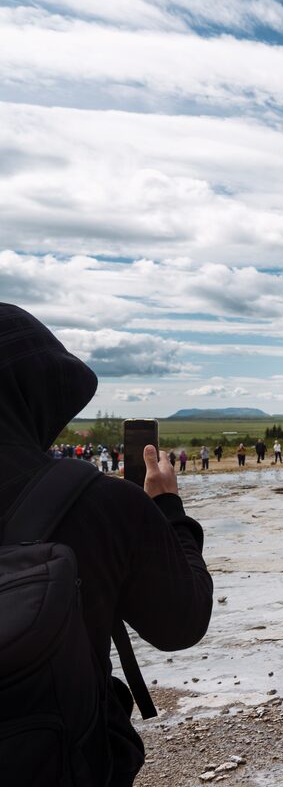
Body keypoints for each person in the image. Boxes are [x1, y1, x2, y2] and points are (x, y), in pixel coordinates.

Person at [0, 304, 212, 787]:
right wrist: (167, 511)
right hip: (58, 760)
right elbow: (182, 623)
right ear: (36, 395)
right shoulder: (98, 502)